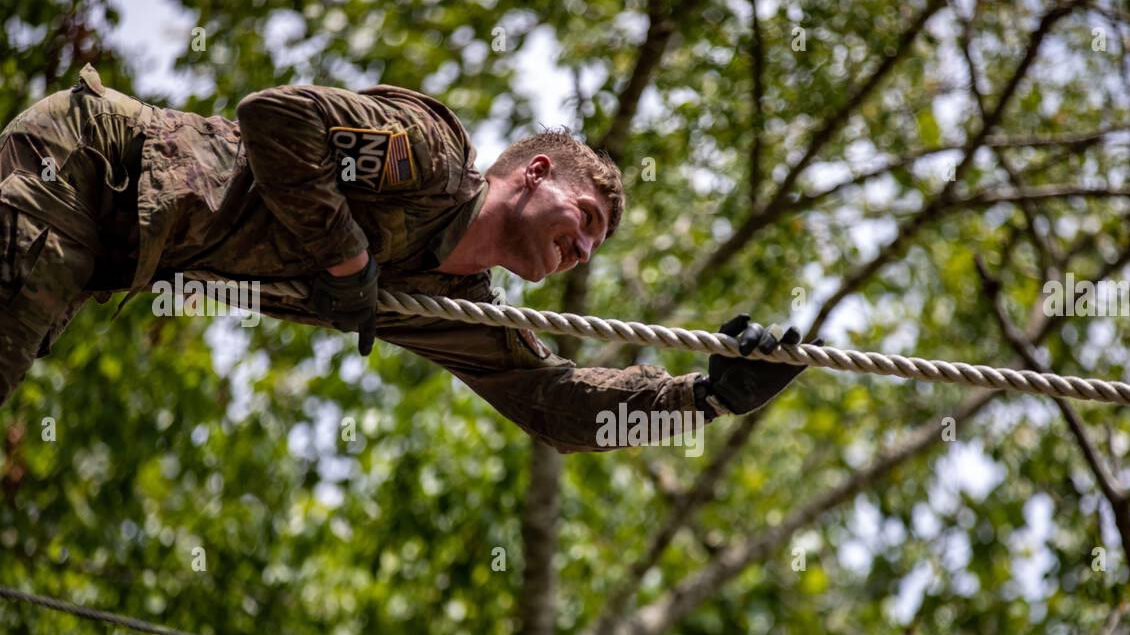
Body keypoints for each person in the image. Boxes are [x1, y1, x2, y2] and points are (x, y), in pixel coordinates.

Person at [0, 65, 809, 452]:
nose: (586, 247)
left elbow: (554, 404)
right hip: (85, 169)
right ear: (533, 175)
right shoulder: (428, 156)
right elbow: (277, 120)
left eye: (598, 242)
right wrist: (348, 264)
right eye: (586, 216)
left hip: (109, 250)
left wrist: (705, 396)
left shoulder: (445, 297)